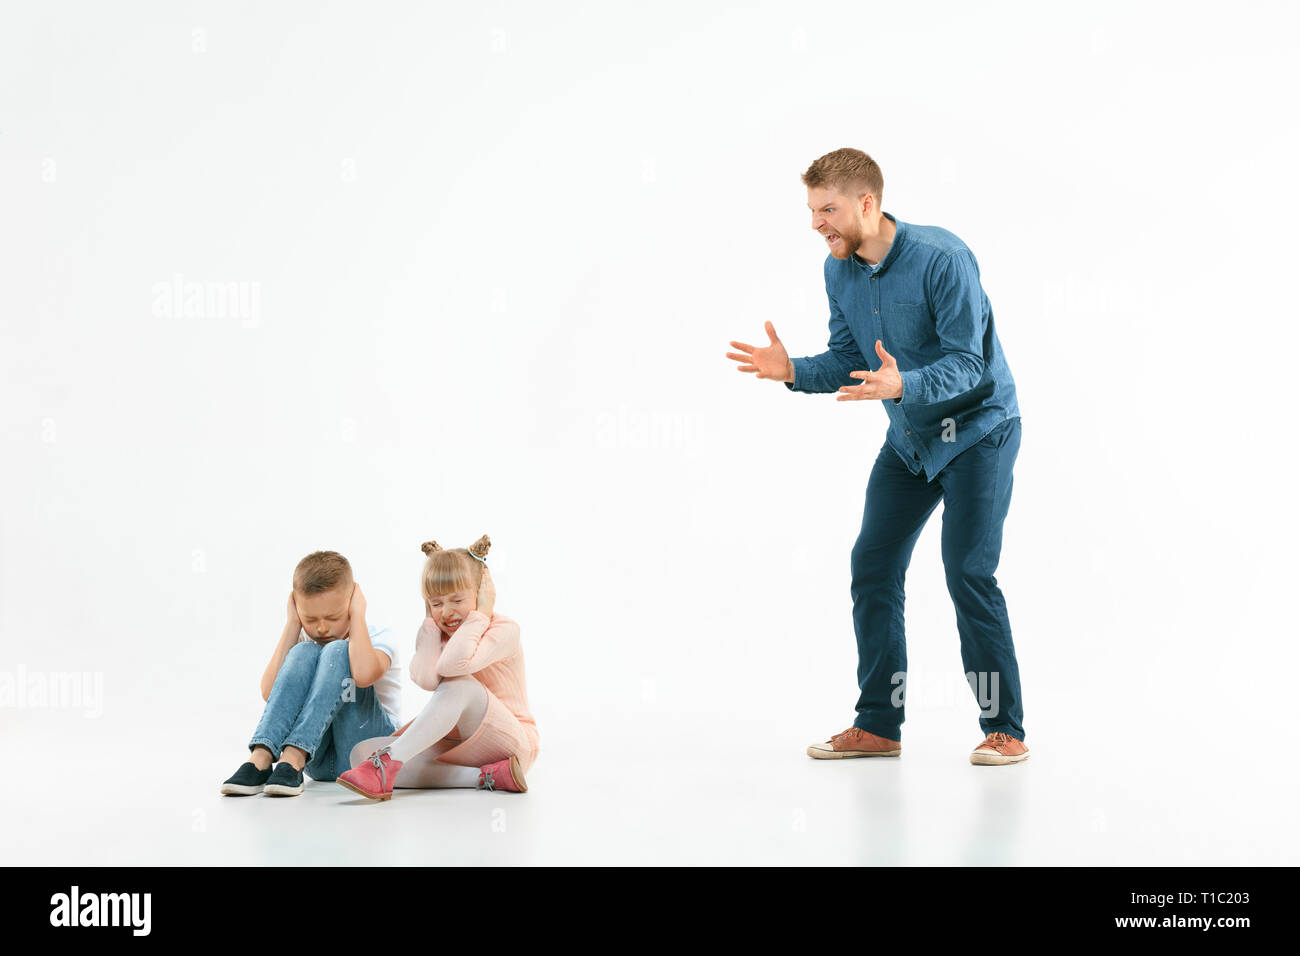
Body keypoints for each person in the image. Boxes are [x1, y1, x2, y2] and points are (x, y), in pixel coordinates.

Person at [726, 147, 1028, 766]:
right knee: (873, 563)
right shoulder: (837, 270)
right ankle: (879, 724)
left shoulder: (942, 258)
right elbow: (846, 359)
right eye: (812, 212)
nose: (818, 224)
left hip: (978, 431)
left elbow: (970, 362)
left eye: (828, 209)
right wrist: (793, 371)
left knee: (967, 569)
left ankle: (1005, 728)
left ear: (868, 202)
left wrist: (905, 385)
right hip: (913, 441)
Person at [337, 534, 539, 800]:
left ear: (481, 594)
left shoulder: (504, 630)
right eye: (436, 603)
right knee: (361, 753)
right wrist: (429, 625)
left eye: (457, 600)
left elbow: (455, 665)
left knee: (459, 683)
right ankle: (487, 776)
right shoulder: (437, 632)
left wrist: (480, 615)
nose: (446, 612)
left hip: (512, 743)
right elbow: (426, 679)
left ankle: (388, 763)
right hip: (462, 745)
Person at [220, 551, 402, 795]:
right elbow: (269, 693)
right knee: (304, 650)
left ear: (352, 601)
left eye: (333, 617)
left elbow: (363, 675)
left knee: (337, 649)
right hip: (316, 760)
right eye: (310, 618)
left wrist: (358, 614)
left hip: (367, 752)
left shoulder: (379, 637)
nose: (322, 627)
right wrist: (292, 625)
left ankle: (294, 752)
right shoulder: (305, 638)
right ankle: (261, 758)